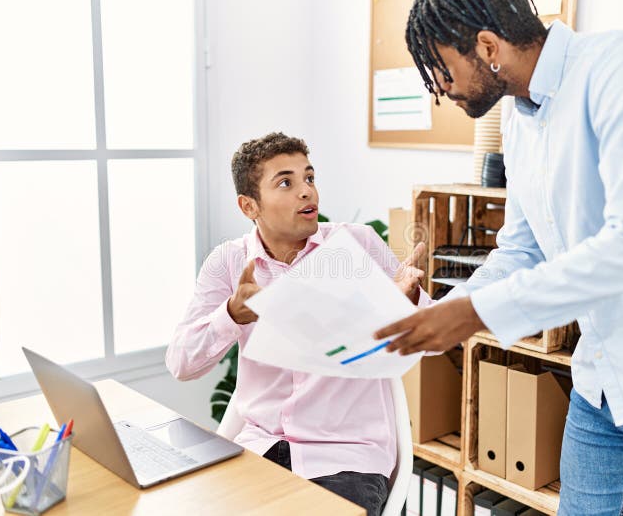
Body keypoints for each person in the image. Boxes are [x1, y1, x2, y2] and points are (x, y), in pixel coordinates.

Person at [374, 0, 623, 514]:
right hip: (604, 382)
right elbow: (520, 250)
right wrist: (442, 312)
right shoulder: (518, 116)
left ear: (487, 47)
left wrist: (474, 312)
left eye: (443, 70)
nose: (442, 89)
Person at [166, 132, 428, 516]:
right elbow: (181, 364)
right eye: (285, 183)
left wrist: (406, 302)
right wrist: (231, 315)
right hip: (260, 447)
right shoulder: (227, 263)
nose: (307, 192)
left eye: (309, 177)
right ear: (248, 205)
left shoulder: (355, 246)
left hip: (345, 458)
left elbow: (428, 337)